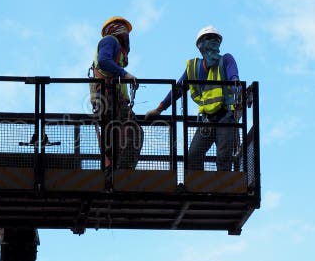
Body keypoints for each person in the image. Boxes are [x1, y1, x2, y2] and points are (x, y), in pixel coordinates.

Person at [144, 25, 240, 172]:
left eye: (216, 40)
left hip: (226, 117)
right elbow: (177, 90)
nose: (213, 42)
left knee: (223, 157)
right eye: (209, 39)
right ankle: (197, 187)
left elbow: (234, 79)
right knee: (194, 155)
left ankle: (224, 189)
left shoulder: (226, 60)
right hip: (207, 119)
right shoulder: (193, 67)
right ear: (200, 45)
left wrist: (240, 94)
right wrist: (159, 109)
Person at [90, 16, 141, 170]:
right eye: (120, 26)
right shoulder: (110, 41)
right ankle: (121, 173)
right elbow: (103, 61)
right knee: (132, 132)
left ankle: (115, 172)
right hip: (109, 96)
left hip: (113, 98)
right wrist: (125, 74)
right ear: (111, 29)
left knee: (117, 139)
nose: (124, 31)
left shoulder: (116, 47)